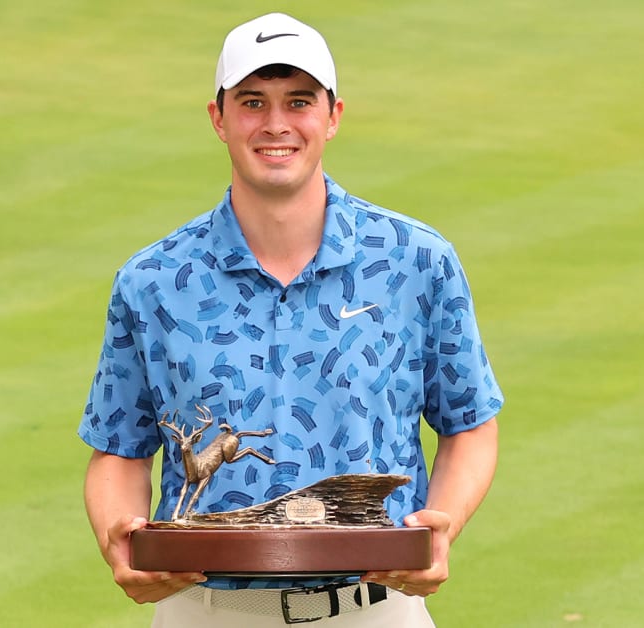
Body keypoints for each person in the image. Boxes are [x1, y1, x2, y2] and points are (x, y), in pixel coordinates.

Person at [79, 12, 503, 627]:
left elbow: (470, 424)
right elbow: (118, 449)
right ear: (218, 118)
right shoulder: (154, 280)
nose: (276, 124)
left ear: (332, 116)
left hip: (375, 610)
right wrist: (117, 535)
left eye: (298, 101)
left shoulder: (415, 261)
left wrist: (443, 524)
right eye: (252, 102)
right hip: (204, 611)